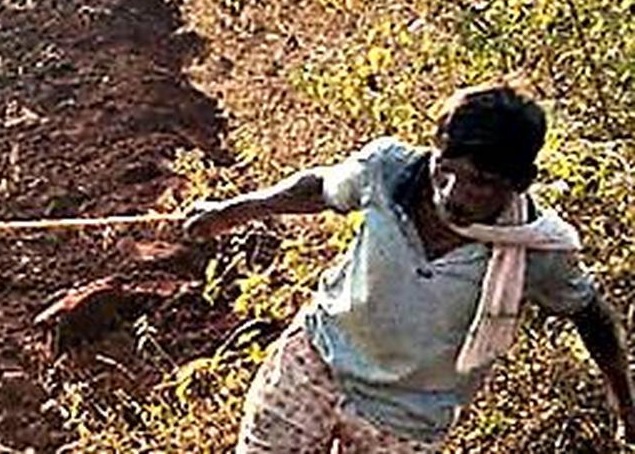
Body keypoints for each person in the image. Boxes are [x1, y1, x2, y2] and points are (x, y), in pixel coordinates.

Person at [186, 83, 635, 452]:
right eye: (447, 169)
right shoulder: (387, 172)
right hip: (318, 361)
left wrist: (624, 401)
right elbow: (319, 188)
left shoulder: (537, 246)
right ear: (434, 151)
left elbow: (588, 312)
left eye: (481, 182)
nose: (453, 194)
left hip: (408, 413)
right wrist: (232, 211)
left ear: (519, 183)